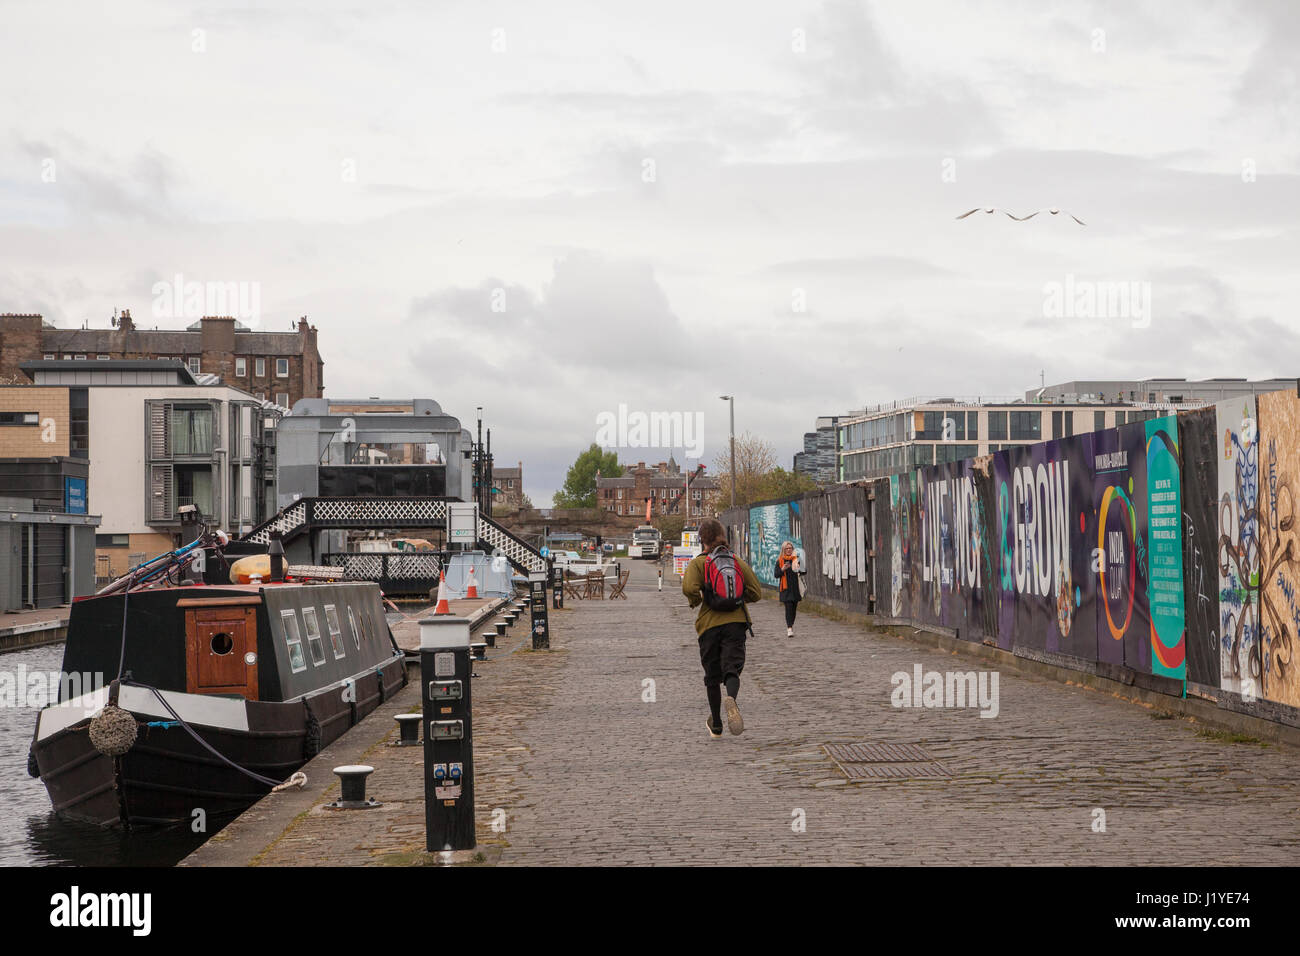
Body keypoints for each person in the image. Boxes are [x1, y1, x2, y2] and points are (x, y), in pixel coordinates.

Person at [681, 518, 761, 738]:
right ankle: (731, 699)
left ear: (702, 540)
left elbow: (688, 587)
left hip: (709, 626)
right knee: (731, 669)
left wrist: (705, 597)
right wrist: (734, 597)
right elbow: (756, 592)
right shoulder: (735, 560)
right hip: (735, 623)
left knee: (712, 676)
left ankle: (716, 724)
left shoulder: (700, 563)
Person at [774, 541, 802, 637]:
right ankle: (789, 628)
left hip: (795, 588)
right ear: (783, 550)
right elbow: (776, 574)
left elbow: (804, 572)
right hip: (785, 589)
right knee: (788, 608)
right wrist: (783, 569)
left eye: (790, 548)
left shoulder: (796, 559)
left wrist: (799, 567)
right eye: (787, 548)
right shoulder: (780, 561)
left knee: (793, 610)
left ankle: (791, 625)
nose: (789, 550)